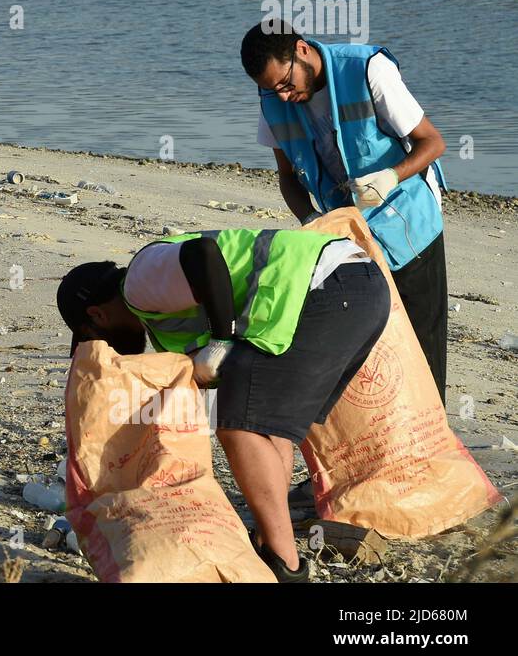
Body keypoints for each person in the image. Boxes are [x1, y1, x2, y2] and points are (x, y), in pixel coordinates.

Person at [57, 227, 391, 582]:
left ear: (97, 315)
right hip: (358, 287)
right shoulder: (162, 325)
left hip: (325, 286)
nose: (113, 352)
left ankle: (285, 566)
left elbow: (204, 255)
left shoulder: (138, 282)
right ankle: (270, 543)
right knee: (260, 424)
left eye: (97, 342)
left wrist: (220, 339)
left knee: (238, 426)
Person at [240, 21, 449, 401]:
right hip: (347, 237)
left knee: (422, 351)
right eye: (272, 89)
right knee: (370, 349)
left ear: (302, 50)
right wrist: (309, 219)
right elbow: (288, 177)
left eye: (286, 84)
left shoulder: (368, 69)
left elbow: (432, 143)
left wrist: (390, 176)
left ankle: (432, 443)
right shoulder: (272, 99)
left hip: (408, 227)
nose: (283, 96)